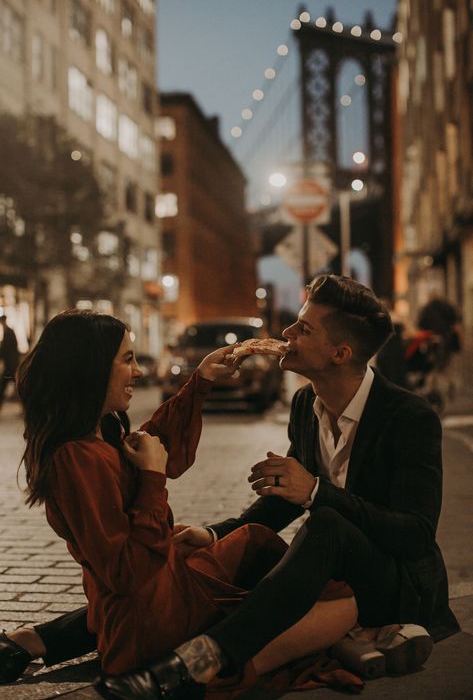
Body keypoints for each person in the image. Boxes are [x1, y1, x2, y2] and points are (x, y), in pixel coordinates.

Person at [91, 275, 459, 699]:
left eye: (304, 328)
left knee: (325, 522)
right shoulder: (306, 404)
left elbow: (414, 535)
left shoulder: (409, 417)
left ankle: (195, 662)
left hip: (395, 584)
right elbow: (283, 502)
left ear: (341, 353)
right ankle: (46, 640)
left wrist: (316, 492)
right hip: (324, 572)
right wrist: (214, 533)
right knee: (211, 556)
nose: (285, 334)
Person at [0, 308, 358, 691]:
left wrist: (200, 381)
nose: (139, 371)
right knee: (337, 600)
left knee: (254, 542)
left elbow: (158, 443)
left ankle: (33, 640)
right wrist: (153, 477)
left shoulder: (101, 431)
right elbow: (126, 571)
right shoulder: (76, 457)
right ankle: (202, 663)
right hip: (148, 626)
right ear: (91, 369)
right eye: (127, 359)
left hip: (150, 600)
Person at [0, 314, 19, 410]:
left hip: (11, 364)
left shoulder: (8, 332)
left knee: (3, 385)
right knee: (17, 384)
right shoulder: (8, 332)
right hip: (11, 364)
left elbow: (6, 350)